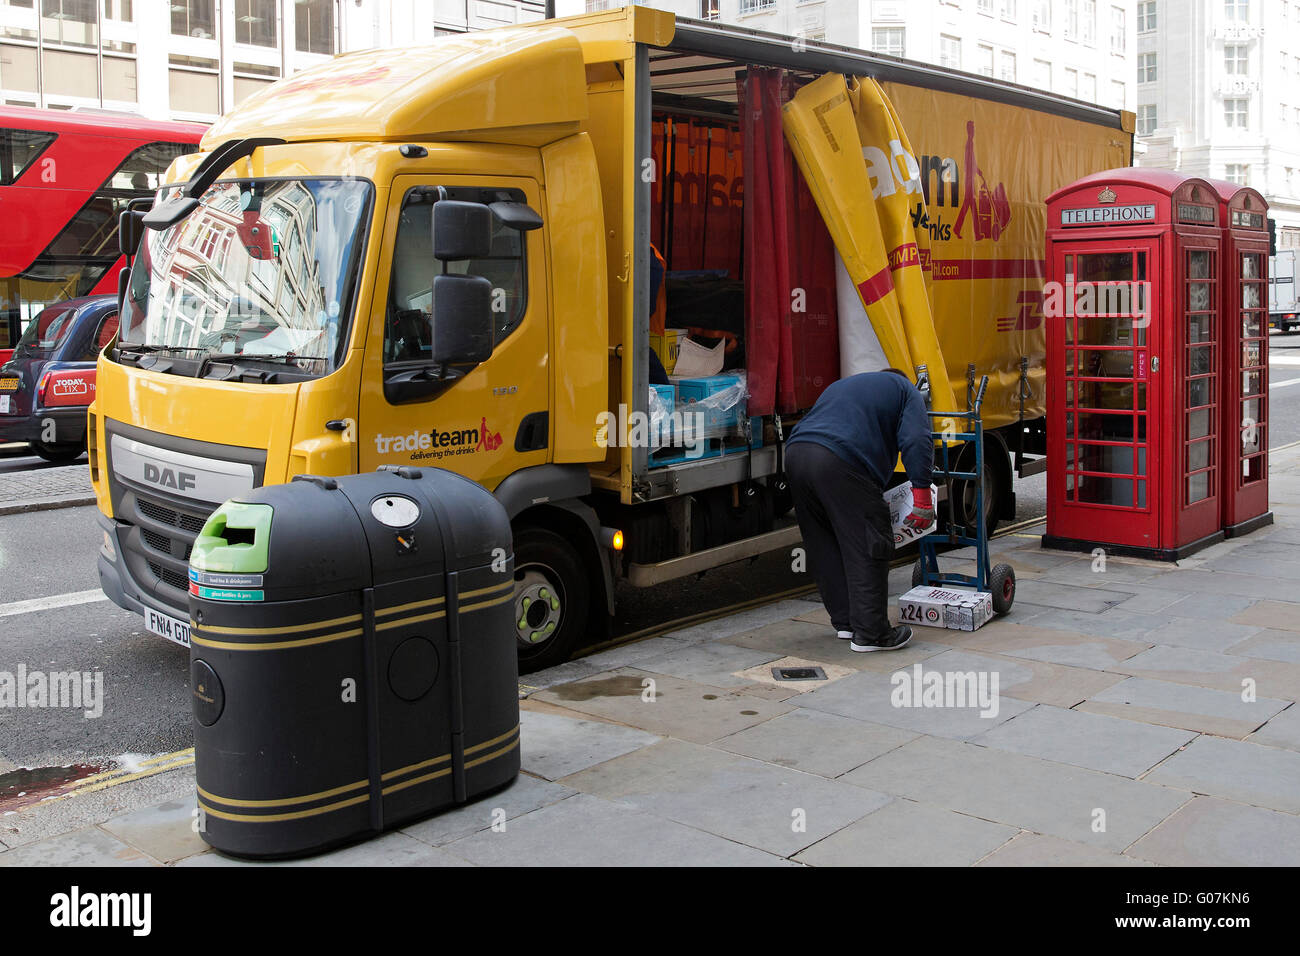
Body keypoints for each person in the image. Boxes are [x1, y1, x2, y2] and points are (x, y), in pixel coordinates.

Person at [785, 368, 934, 652]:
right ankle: (872, 634)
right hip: (841, 459)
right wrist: (923, 498)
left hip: (797, 454)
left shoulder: (846, 385)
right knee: (868, 542)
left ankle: (846, 623)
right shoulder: (906, 390)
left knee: (825, 545)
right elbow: (916, 438)